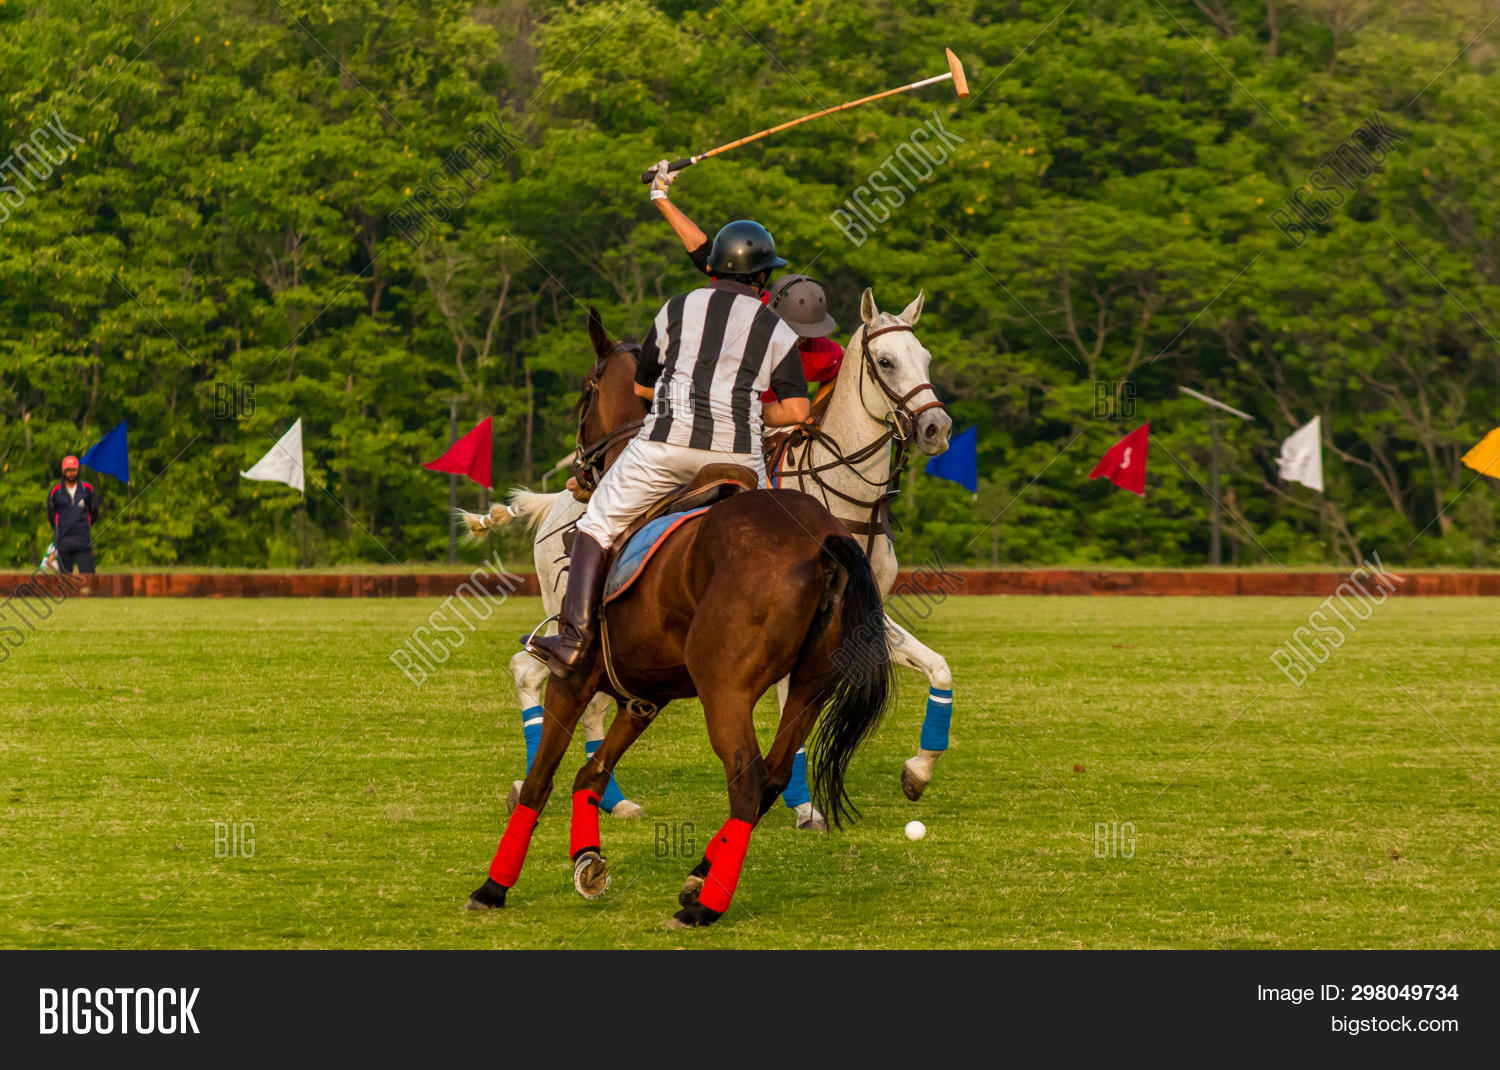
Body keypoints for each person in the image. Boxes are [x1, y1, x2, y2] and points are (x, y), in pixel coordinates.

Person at [526, 220, 811, 678]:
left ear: (714, 269)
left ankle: (574, 639)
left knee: (597, 520)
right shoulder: (775, 327)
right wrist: (750, 415)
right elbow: (797, 409)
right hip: (738, 460)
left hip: (665, 447)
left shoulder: (677, 307)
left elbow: (642, 386)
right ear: (761, 278)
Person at [647, 160, 844, 399]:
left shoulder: (818, 351)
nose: (799, 339)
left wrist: (815, 413)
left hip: (780, 425)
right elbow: (706, 256)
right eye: (796, 332)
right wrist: (660, 196)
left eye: (806, 335)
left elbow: (847, 365)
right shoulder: (752, 307)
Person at [47, 455, 98, 574]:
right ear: (63, 471)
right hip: (63, 543)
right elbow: (51, 517)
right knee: (64, 583)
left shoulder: (87, 489)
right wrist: (60, 530)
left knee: (89, 580)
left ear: (78, 470)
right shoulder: (55, 492)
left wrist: (84, 526)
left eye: (73, 470)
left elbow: (94, 513)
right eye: (68, 470)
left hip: (83, 542)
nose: (71, 473)